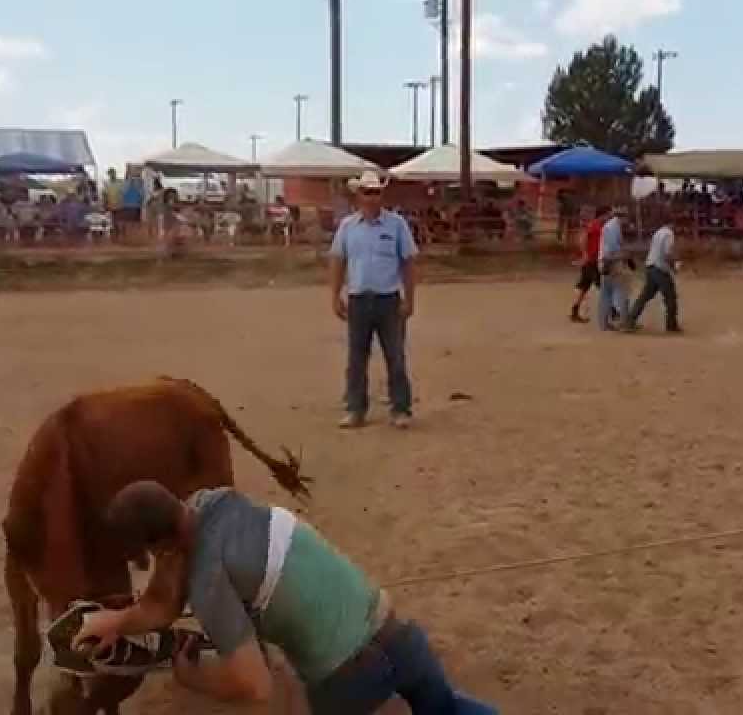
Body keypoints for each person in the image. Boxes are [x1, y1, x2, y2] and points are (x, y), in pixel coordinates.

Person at [72, 481, 497, 715]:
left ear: (162, 550)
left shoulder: (209, 584)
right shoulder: (216, 500)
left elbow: (254, 686)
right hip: (399, 634)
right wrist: (118, 622)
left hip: (347, 681)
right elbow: (163, 602)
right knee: (447, 712)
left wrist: (192, 678)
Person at [329, 170, 418, 430]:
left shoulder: (397, 225)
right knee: (356, 358)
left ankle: (400, 409)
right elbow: (337, 260)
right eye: (367, 192)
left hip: (388, 300)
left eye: (376, 192)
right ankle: (355, 409)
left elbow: (408, 263)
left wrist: (409, 299)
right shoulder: (347, 227)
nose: (372, 197)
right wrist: (335, 296)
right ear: (359, 195)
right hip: (358, 299)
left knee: (396, 356)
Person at [623, 217, 682, 333]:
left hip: (650, 266)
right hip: (660, 268)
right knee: (670, 297)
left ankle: (630, 321)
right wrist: (674, 266)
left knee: (644, 296)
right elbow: (667, 253)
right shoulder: (669, 233)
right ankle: (671, 325)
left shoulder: (658, 232)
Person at [569, 205, 608, 323]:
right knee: (604, 286)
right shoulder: (595, 225)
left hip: (591, 260)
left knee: (583, 287)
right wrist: (585, 254)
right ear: (603, 215)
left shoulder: (597, 225)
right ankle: (613, 311)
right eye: (608, 215)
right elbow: (583, 239)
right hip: (592, 261)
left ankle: (574, 311)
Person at [595, 206, 631, 331]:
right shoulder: (613, 227)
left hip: (606, 262)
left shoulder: (612, 226)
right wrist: (625, 256)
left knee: (606, 293)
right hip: (611, 263)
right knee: (621, 292)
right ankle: (624, 322)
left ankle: (604, 323)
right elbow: (612, 250)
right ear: (622, 217)